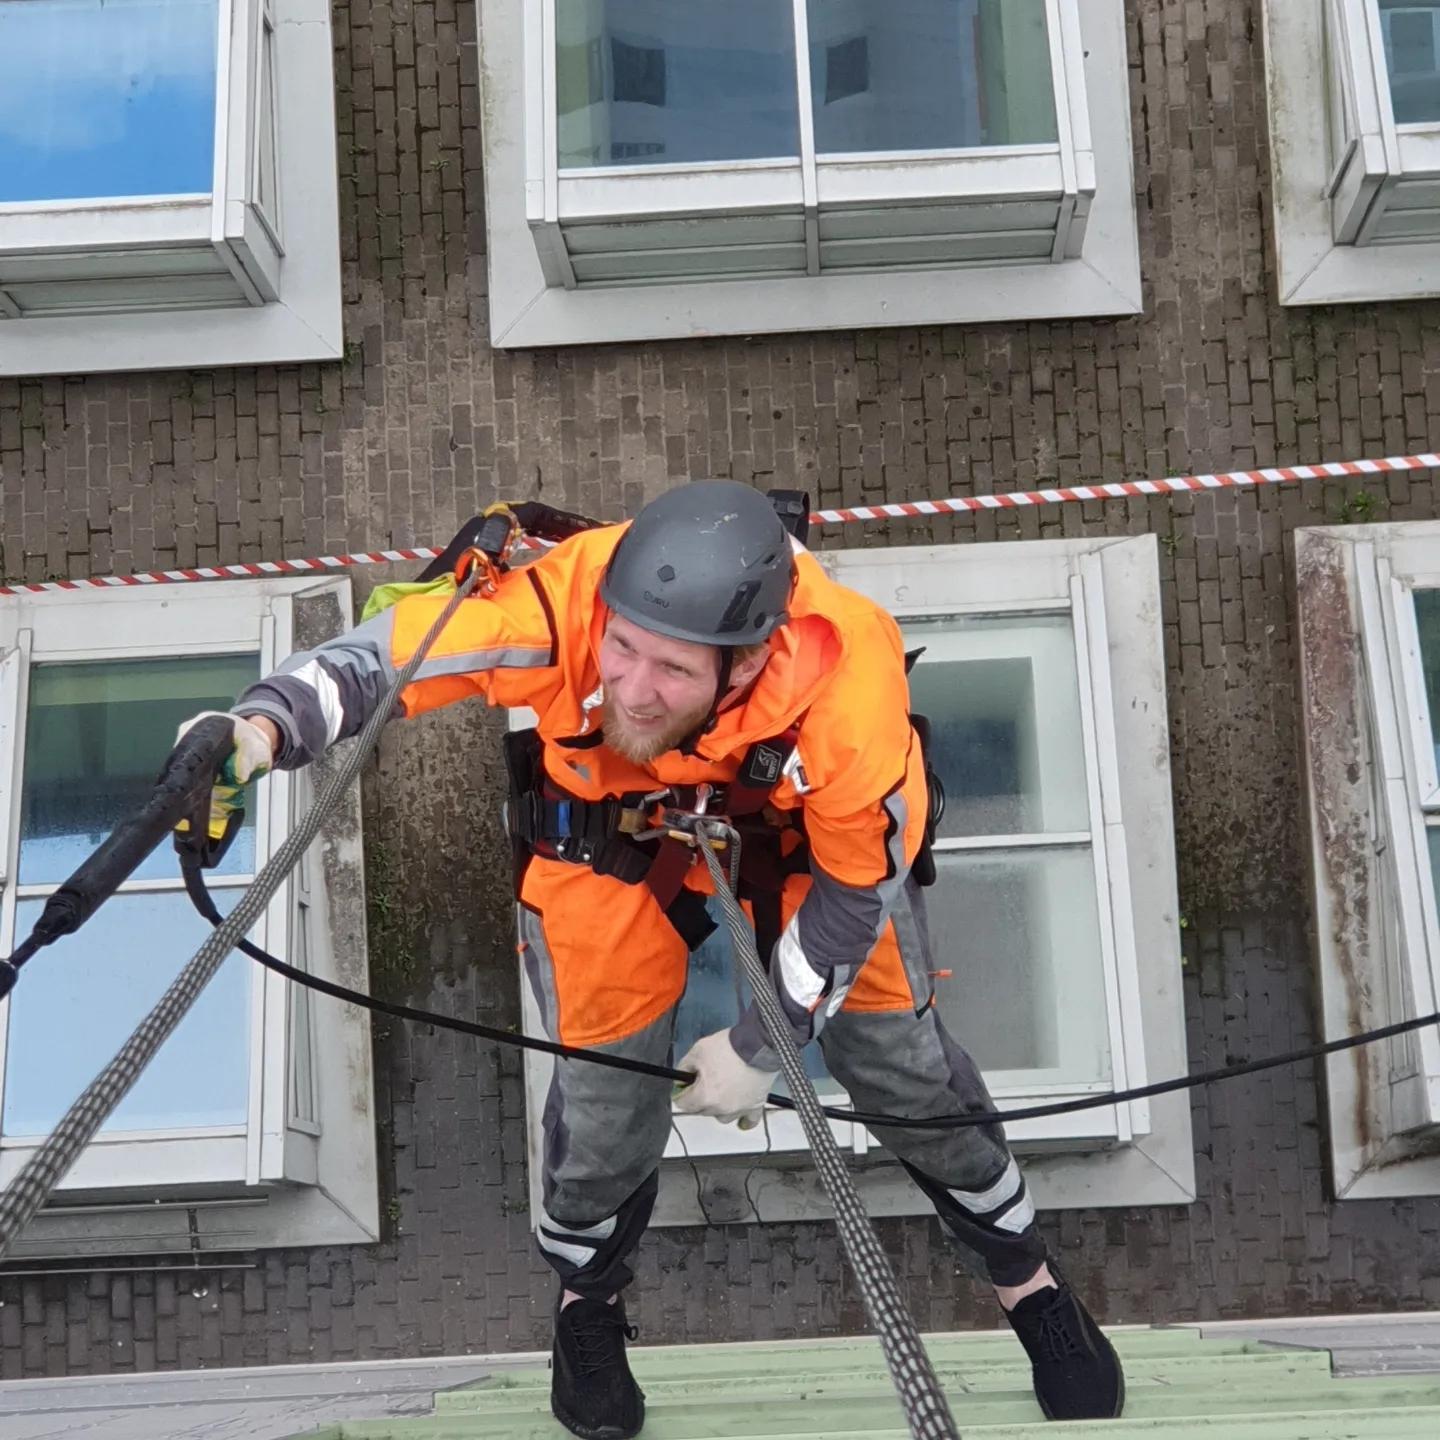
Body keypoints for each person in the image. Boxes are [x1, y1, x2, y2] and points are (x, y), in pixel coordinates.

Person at [184, 481, 1123, 1440]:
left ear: (752, 660)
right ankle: (585, 1303)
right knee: (605, 1097)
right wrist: (258, 729)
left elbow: (852, 895)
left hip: (808, 848)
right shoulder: (574, 595)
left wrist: (766, 1044)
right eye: (623, 650)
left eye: (672, 670)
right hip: (610, 835)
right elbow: (397, 654)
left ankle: (1027, 1279)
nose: (630, 686)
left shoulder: (852, 691)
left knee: (900, 1061)